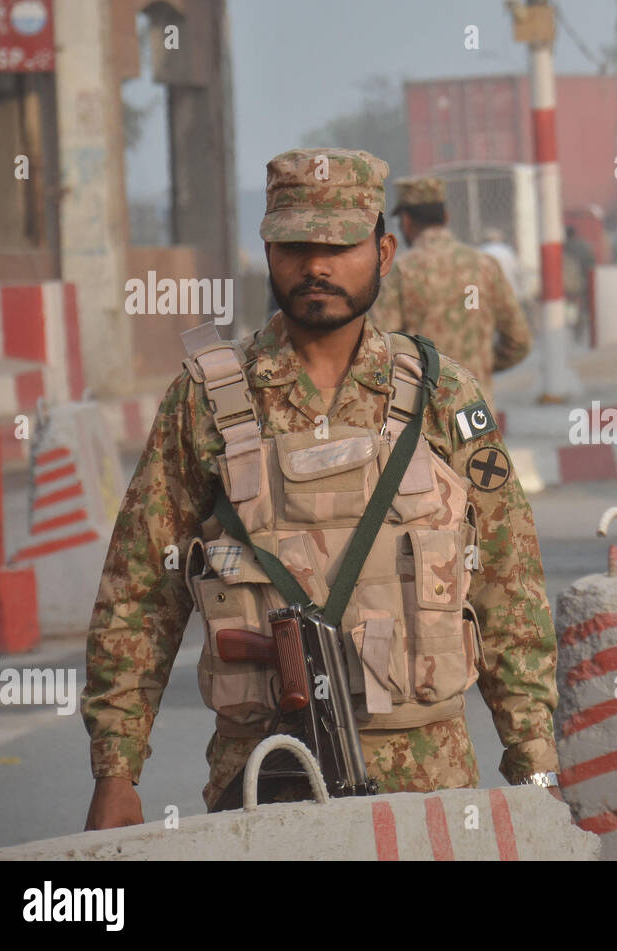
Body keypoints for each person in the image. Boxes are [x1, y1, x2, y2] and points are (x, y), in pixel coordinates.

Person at [81, 149, 560, 828]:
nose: (317, 266)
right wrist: (115, 770)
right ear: (268, 250)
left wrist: (534, 760)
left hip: (430, 792)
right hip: (264, 785)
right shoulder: (207, 400)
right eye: (295, 244)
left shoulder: (442, 394)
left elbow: (510, 585)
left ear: (384, 250)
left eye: (339, 245)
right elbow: (138, 592)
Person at [369, 177, 530, 397]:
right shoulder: (485, 266)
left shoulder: (401, 271)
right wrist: (481, 366)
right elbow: (519, 340)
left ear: (405, 221)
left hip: (423, 414)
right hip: (477, 411)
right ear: (446, 217)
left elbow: (381, 346)